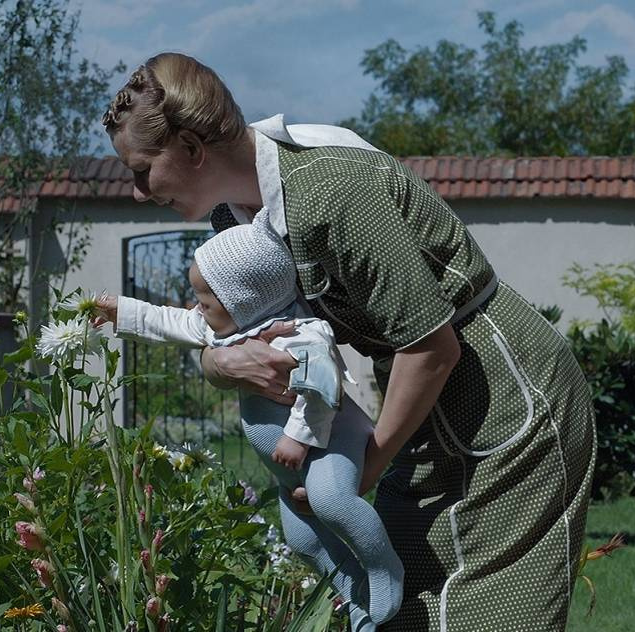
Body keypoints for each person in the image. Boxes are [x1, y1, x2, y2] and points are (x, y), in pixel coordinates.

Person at [99, 52, 596, 631]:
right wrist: (221, 365)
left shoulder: (332, 193)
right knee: (405, 605)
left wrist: (363, 472)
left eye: (141, 170)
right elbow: (223, 333)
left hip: (505, 396)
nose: (137, 192)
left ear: (190, 147)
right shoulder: (232, 224)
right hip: (421, 402)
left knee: (488, 612)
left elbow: (432, 349)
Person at [93, 217, 403, 629]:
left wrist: (296, 438)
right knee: (301, 537)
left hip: (329, 444)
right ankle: (352, 586)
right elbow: (169, 321)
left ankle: (384, 568)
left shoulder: (302, 334)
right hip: (288, 469)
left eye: (205, 299)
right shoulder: (228, 328)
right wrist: (121, 311)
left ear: (244, 300)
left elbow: (323, 388)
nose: (196, 306)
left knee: (331, 502)